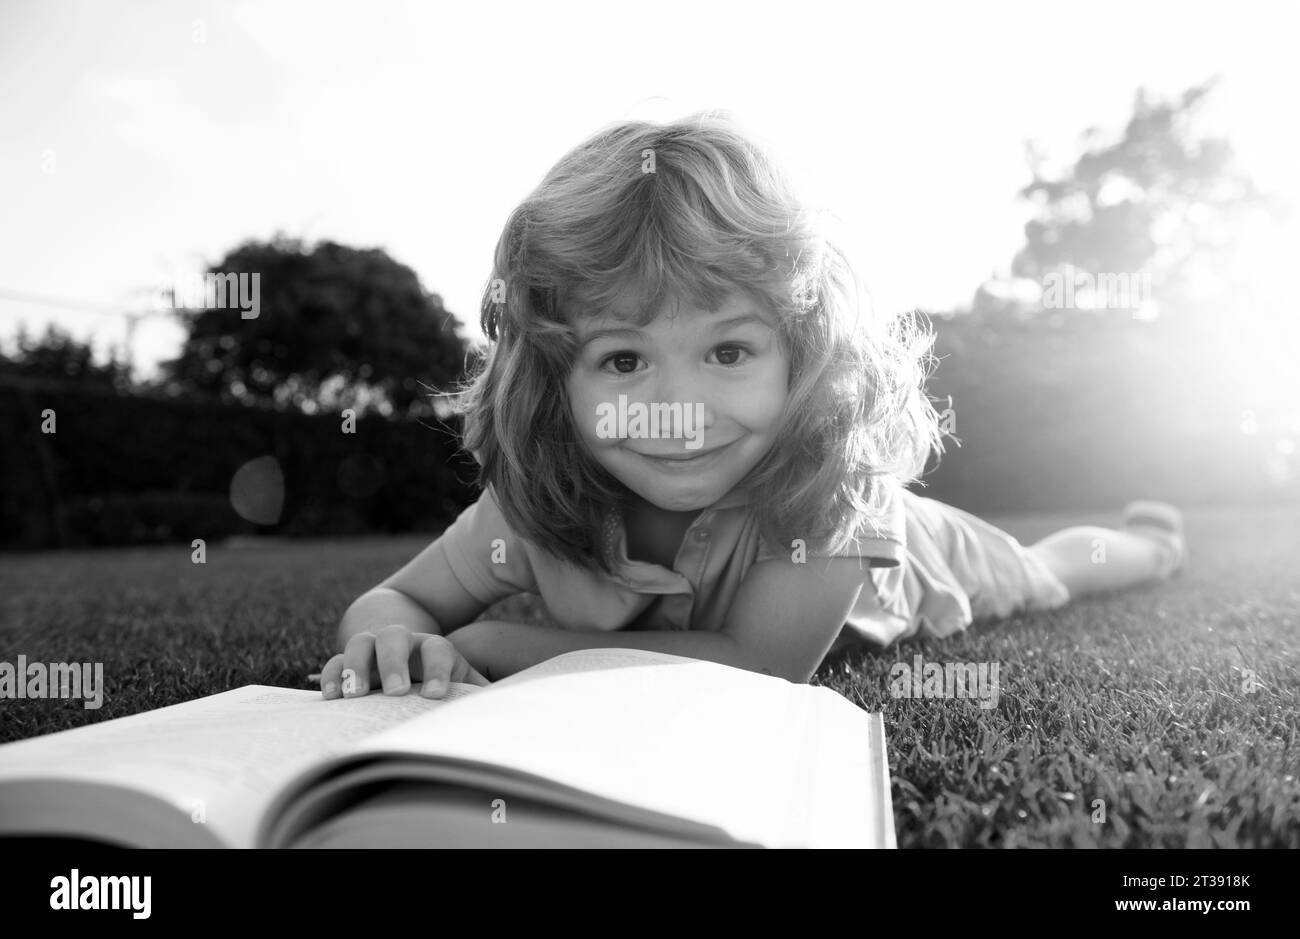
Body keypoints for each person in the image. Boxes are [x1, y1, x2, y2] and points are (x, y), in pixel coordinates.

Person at [315, 112, 1187, 700]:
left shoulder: (832, 485)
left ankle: (1148, 544)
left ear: (799, 352)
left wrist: (509, 650)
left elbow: (758, 666)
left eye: (728, 351)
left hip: (927, 559)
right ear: (552, 381)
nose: (678, 409)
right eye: (623, 358)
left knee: (1044, 574)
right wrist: (391, 636)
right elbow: (390, 601)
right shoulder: (529, 507)